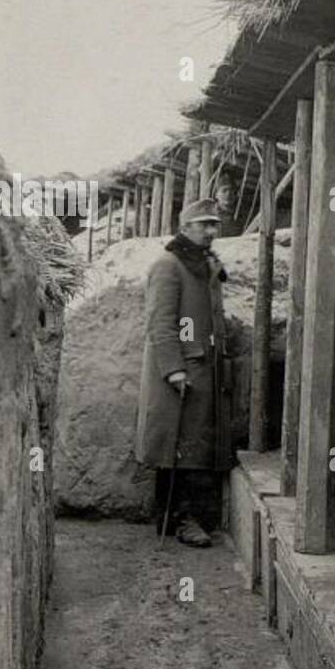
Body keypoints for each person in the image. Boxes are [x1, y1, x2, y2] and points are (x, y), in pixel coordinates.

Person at [134, 198, 234, 546]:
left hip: (204, 370)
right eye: (204, 224)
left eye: (214, 224)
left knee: (195, 447)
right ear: (185, 227)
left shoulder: (204, 263)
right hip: (180, 372)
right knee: (178, 448)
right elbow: (161, 323)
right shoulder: (169, 264)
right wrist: (174, 370)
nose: (211, 230)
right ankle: (180, 520)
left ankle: (180, 517)